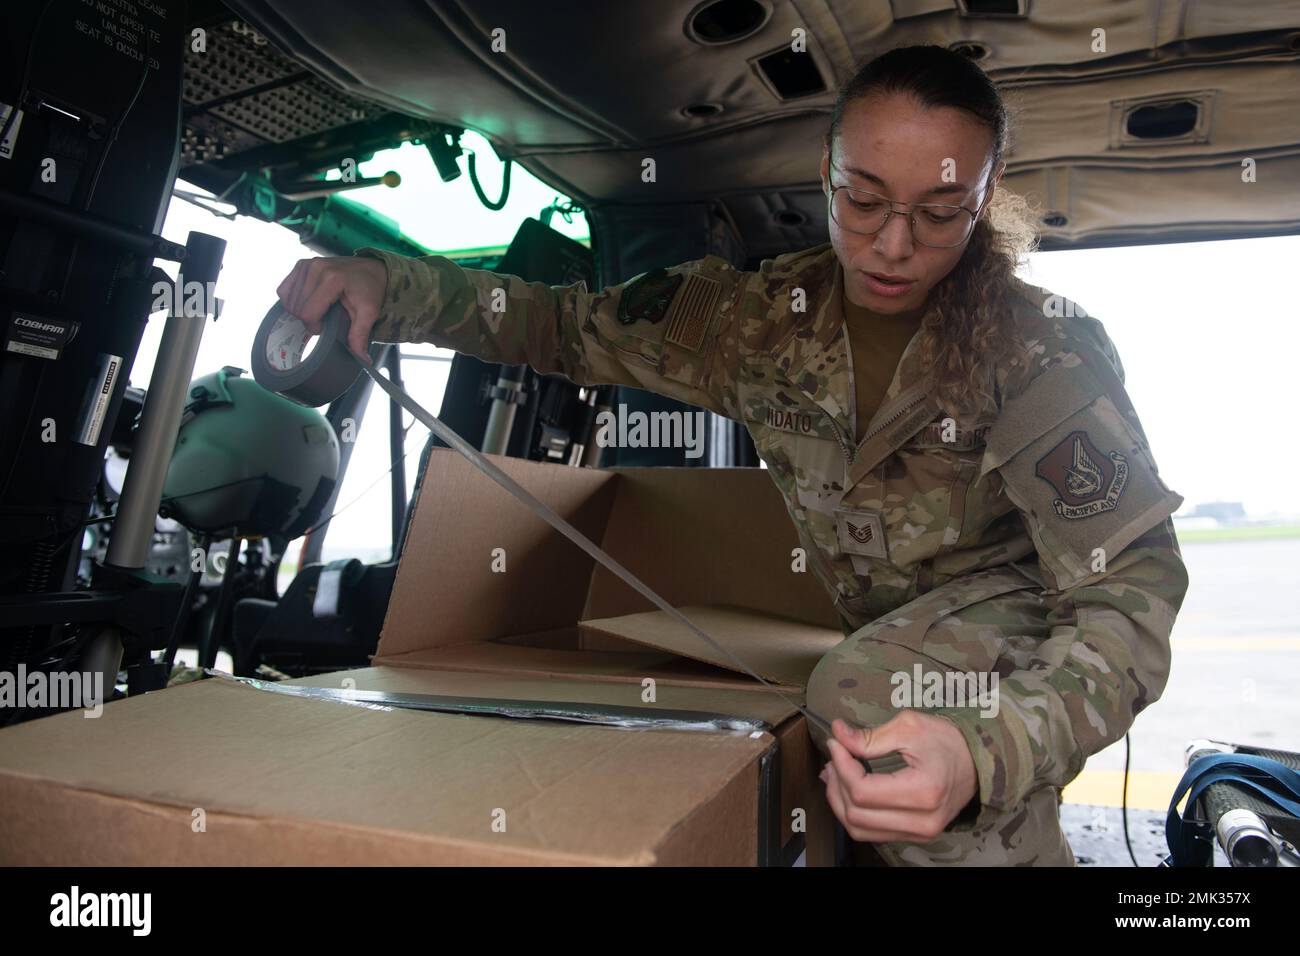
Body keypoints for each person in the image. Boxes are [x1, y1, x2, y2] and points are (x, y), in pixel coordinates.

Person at [275, 45, 1188, 866]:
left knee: (868, 699)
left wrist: (986, 753)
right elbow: (561, 325)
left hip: (1017, 625)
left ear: (985, 202)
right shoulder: (756, 324)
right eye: (862, 200)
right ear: (825, 172)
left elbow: (1127, 598)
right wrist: (387, 283)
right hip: (879, 622)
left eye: (940, 214)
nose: (893, 245)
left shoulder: (1042, 353)